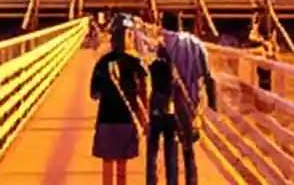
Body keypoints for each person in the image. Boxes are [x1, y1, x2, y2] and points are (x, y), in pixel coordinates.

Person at [159, 12, 217, 185]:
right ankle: (192, 181)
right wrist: (213, 105)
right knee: (189, 148)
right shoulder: (196, 42)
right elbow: (208, 75)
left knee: (170, 146)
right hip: (191, 102)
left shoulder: (163, 44)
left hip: (169, 102)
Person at [90, 24, 148, 184]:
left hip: (106, 118)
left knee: (107, 163)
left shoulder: (102, 63)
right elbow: (143, 89)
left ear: (112, 40)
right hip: (127, 119)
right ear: (128, 39)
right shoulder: (135, 62)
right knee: (122, 164)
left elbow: (94, 94)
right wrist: (144, 115)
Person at [146, 45, 180, 185]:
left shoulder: (153, 66)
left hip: (155, 108)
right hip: (170, 110)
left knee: (152, 148)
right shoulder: (173, 69)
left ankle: (151, 180)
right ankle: (172, 181)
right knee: (170, 149)